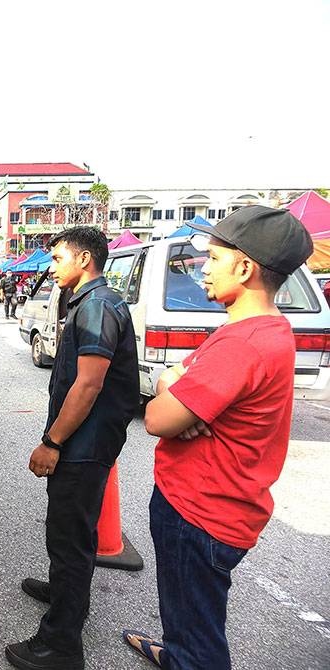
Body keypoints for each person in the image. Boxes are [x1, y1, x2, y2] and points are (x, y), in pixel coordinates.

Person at [121, 207, 313, 670]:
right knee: (188, 614)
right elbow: (175, 382)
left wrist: (172, 392)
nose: (202, 268)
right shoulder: (262, 329)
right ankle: (176, 648)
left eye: (213, 258)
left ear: (245, 268)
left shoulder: (242, 344)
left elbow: (157, 418)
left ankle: (184, 655)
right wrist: (173, 383)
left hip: (200, 512)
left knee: (199, 639)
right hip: (215, 503)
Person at [5, 226, 139, 670]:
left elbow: (89, 383)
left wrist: (51, 442)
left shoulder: (97, 304)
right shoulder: (87, 300)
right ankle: (64, 592)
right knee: (65, 529)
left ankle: (61, 644)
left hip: (83, 444)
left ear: (84, 260)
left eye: (59, 257)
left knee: (70, 537)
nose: (52, 264)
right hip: (83, 441)